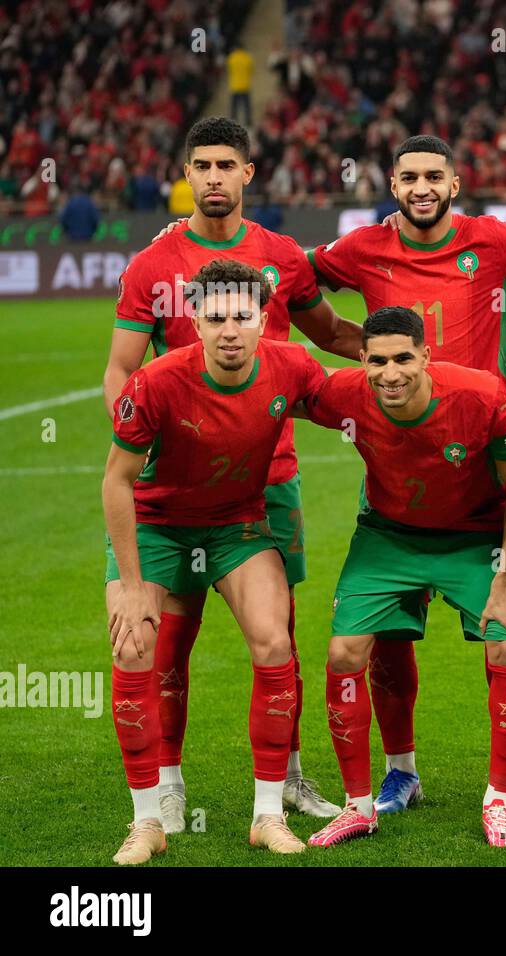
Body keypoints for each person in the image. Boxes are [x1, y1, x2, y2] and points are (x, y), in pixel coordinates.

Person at [105, 116, 363, 834]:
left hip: (267, 476)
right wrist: (139, 437)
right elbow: (123, 370)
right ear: (186, 174)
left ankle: (289, 778)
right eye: (201, 165)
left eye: (227, 164)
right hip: (175, 479)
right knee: (168, 639)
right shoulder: (155, 265)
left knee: (277, 628)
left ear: (250, 172)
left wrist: (396, 352)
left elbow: (329, 339)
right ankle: (167, 787)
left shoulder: (281, 256)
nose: (213, 177)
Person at [104, 259, 329, 863]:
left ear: (264, 320)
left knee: (274, 642)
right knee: (134, 648)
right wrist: (129, 585)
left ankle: (268, 814)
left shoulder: (293, 366)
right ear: (194, 322)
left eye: (242, 316)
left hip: (237, 525)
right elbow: (116, 482)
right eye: (216, 317)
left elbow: (356, 403)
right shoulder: (154, 381)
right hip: (158, 527)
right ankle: (147, 820)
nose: (230, 329)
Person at [298, 306, 506, 848]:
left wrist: (505, 581)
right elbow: (272, 389)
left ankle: (501, 799)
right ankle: (359, 806)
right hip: (388, 537)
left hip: (475, 537)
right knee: (343, 654)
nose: (391, 373)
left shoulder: (482, 395)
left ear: (427, 355)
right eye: (377, 360)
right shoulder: (343, 395)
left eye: (404, 358)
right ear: (361, 360)